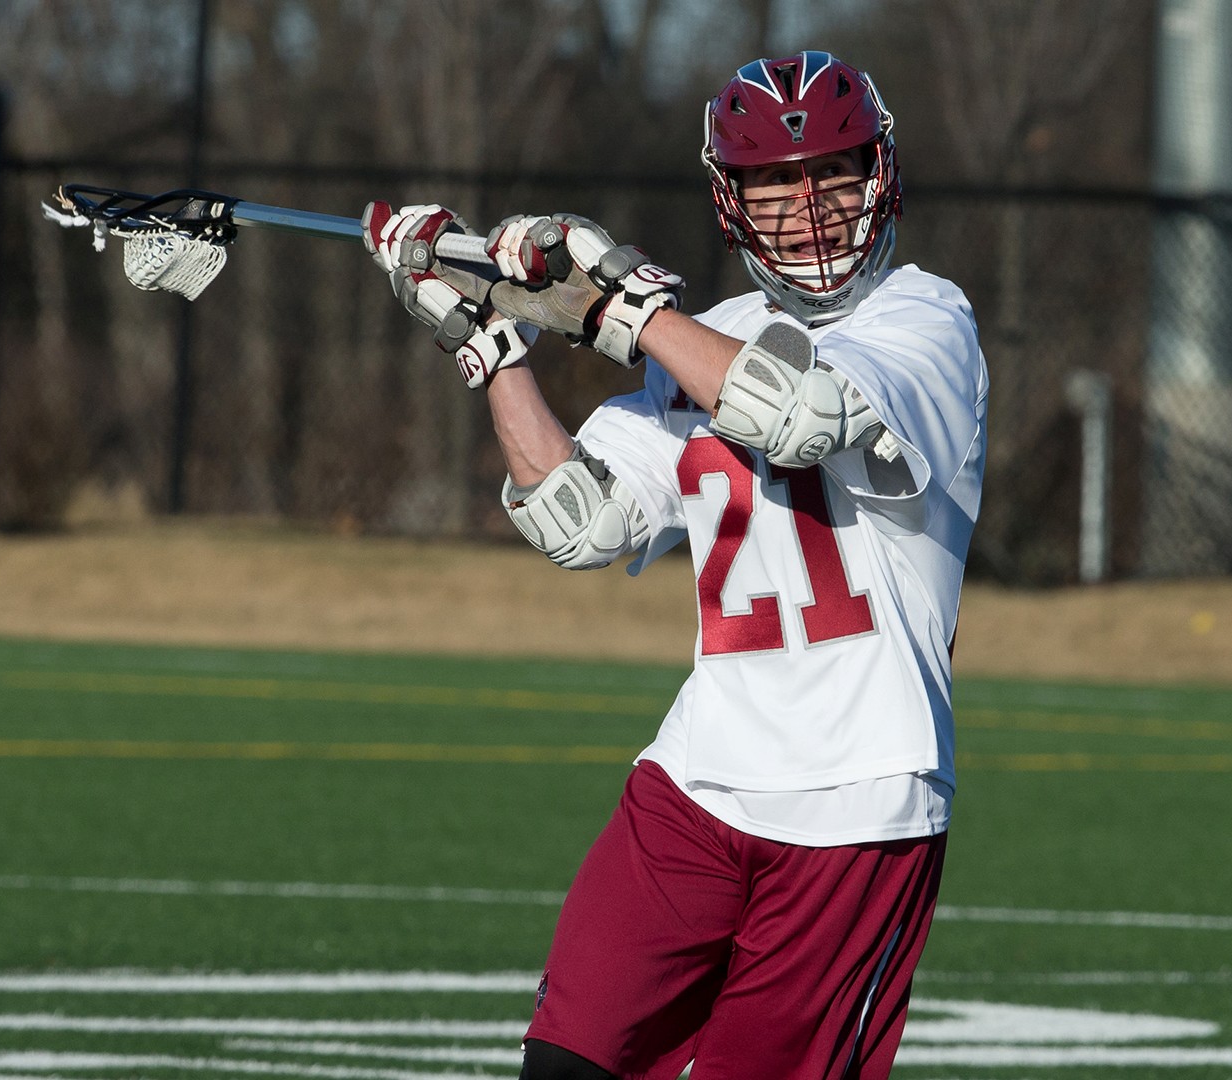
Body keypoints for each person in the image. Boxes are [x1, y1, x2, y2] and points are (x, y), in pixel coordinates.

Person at [361, 50, 987, 1080]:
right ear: (732, 200)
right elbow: (579, 517)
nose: (812, 206)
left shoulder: (926, 320)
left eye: (833, 171)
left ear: (880, 175)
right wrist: (491, 347)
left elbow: (799, 413)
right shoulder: (715, 333)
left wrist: (625, 310)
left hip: (858, 798)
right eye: (777, 182)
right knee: (567, 1067)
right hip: (698, 778)